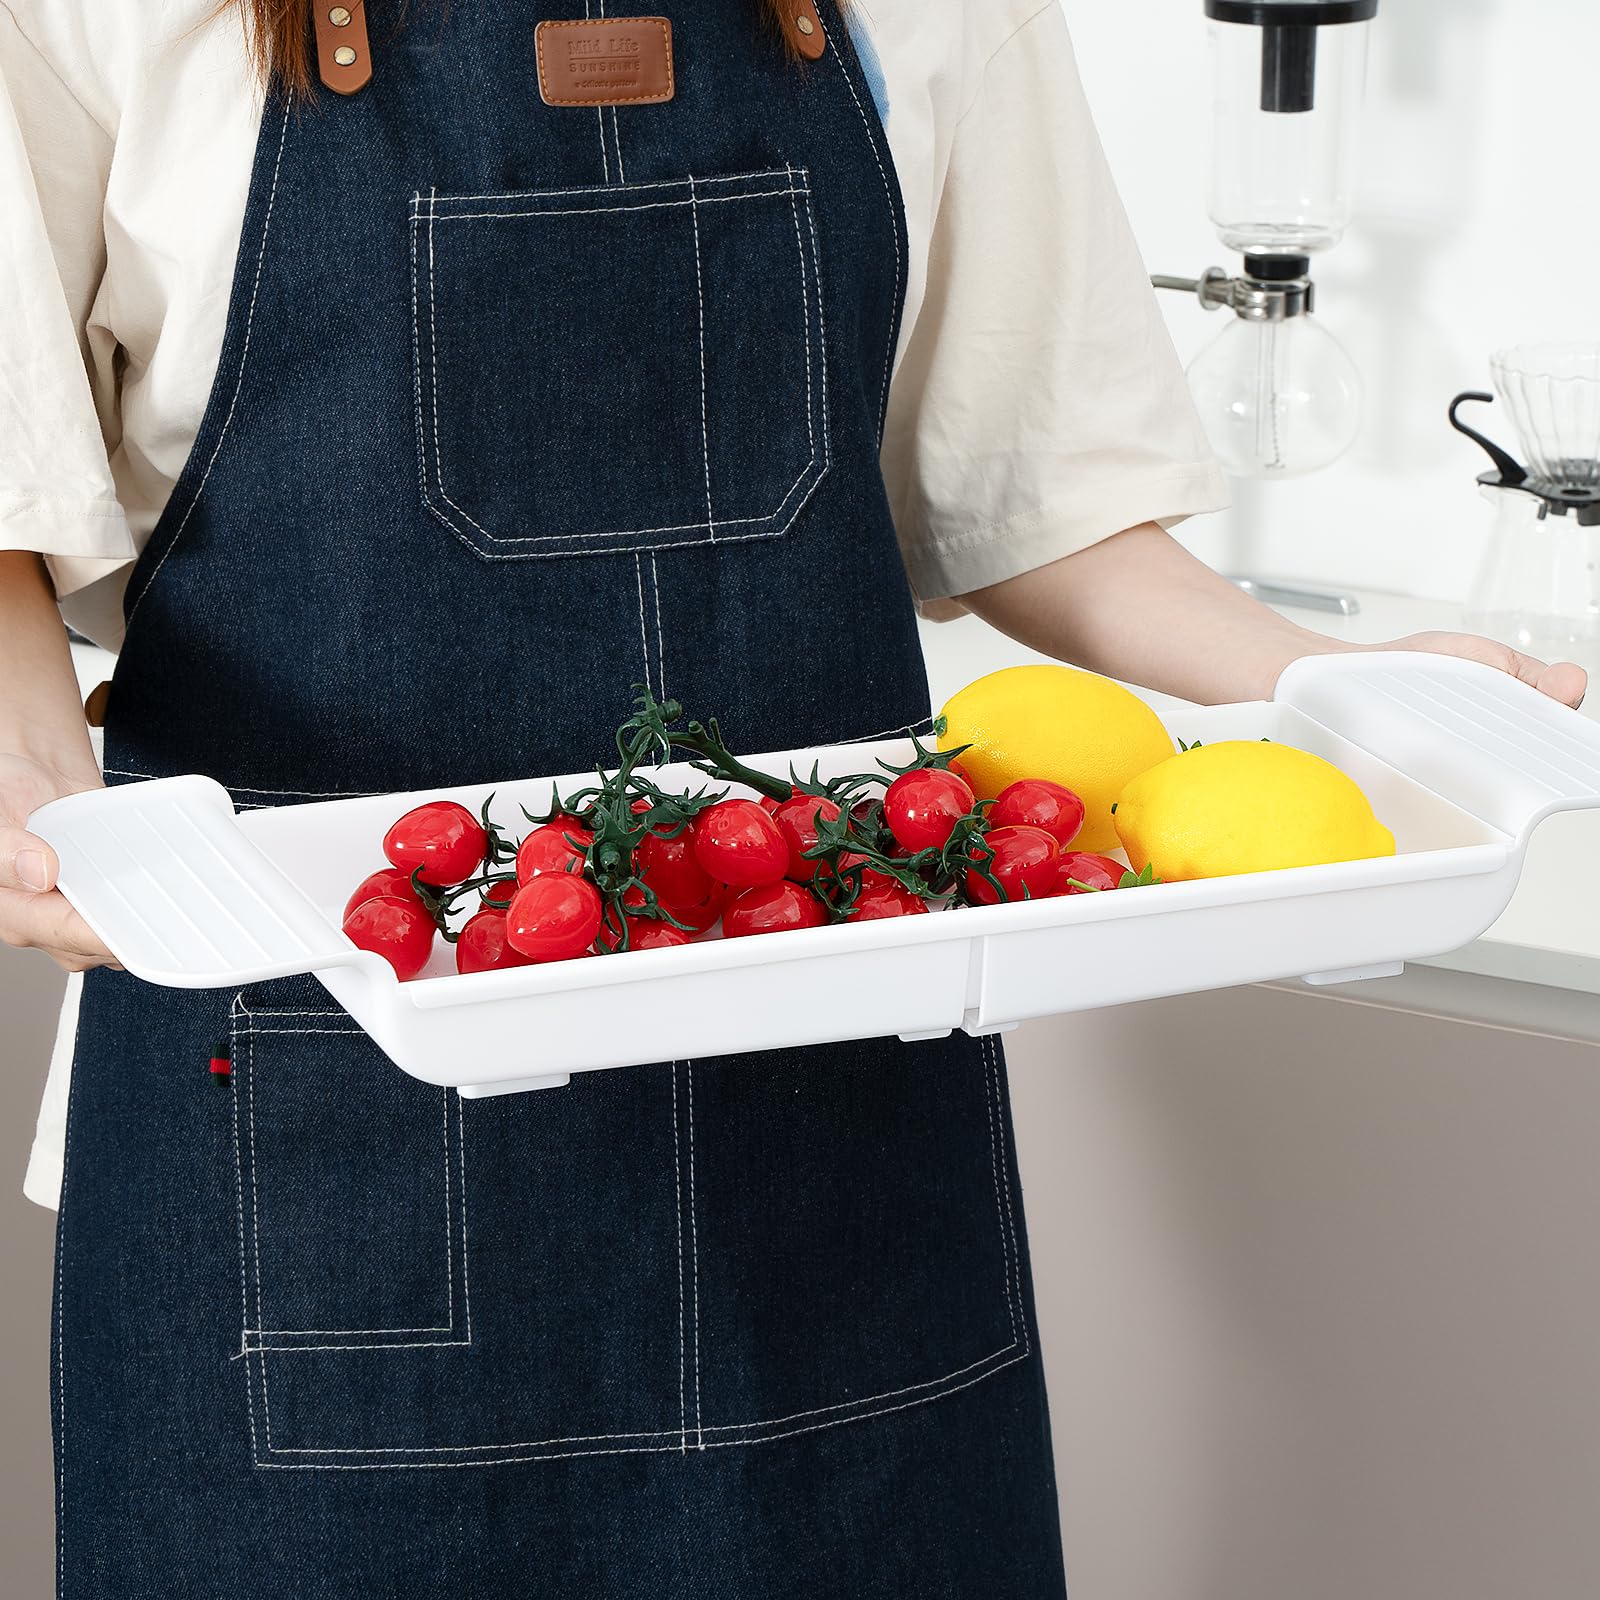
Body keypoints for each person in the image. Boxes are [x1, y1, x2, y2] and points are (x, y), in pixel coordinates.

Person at [0, 1, 1584, 1594]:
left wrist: (1317, 681)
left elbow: (1039, 493)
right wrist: (36, 775)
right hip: (318, 1123)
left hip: (828, 1119)